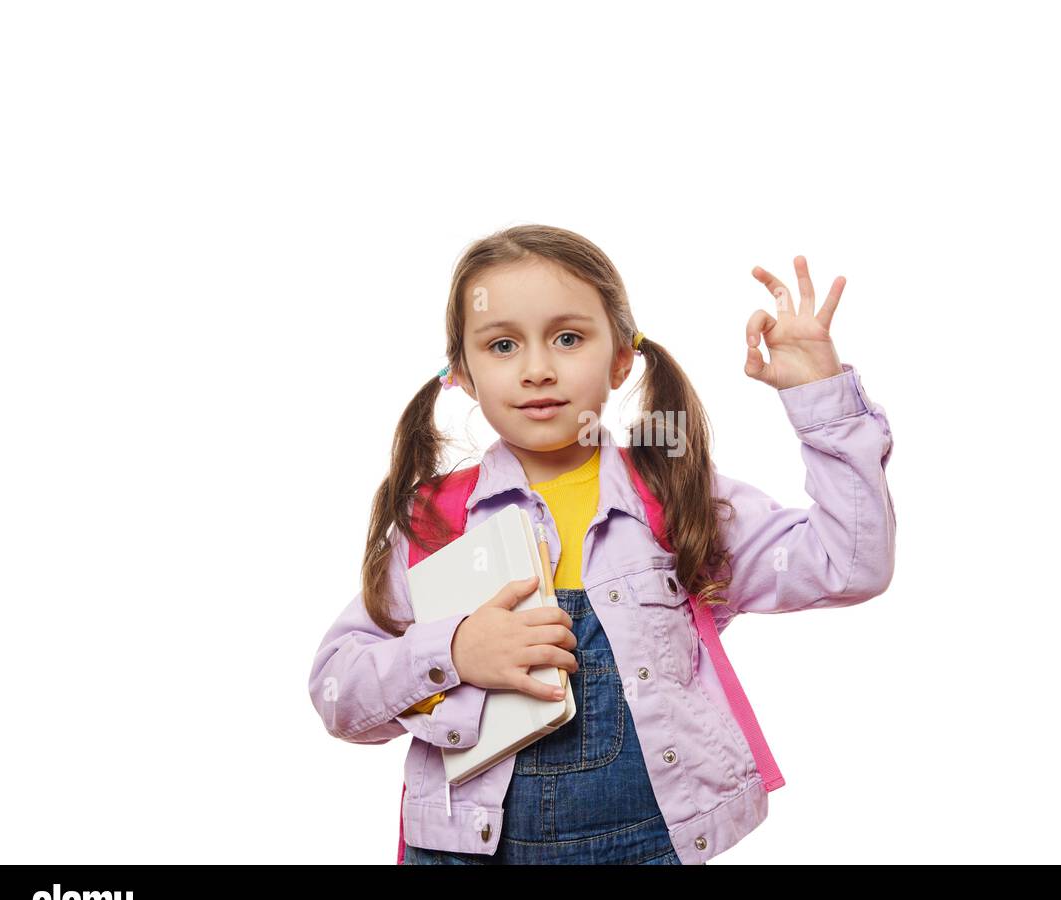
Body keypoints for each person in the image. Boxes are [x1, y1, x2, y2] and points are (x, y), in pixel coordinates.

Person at [307, 224, 896, 864]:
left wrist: (821, 400)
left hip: (648, 847)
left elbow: (851, 564)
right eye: (503, 344)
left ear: (620, 358)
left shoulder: (674, 496)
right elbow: (339, 692)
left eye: (568, 338)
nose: (537, 369)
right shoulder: (438, 519)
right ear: (464, 376)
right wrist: (451, 652)